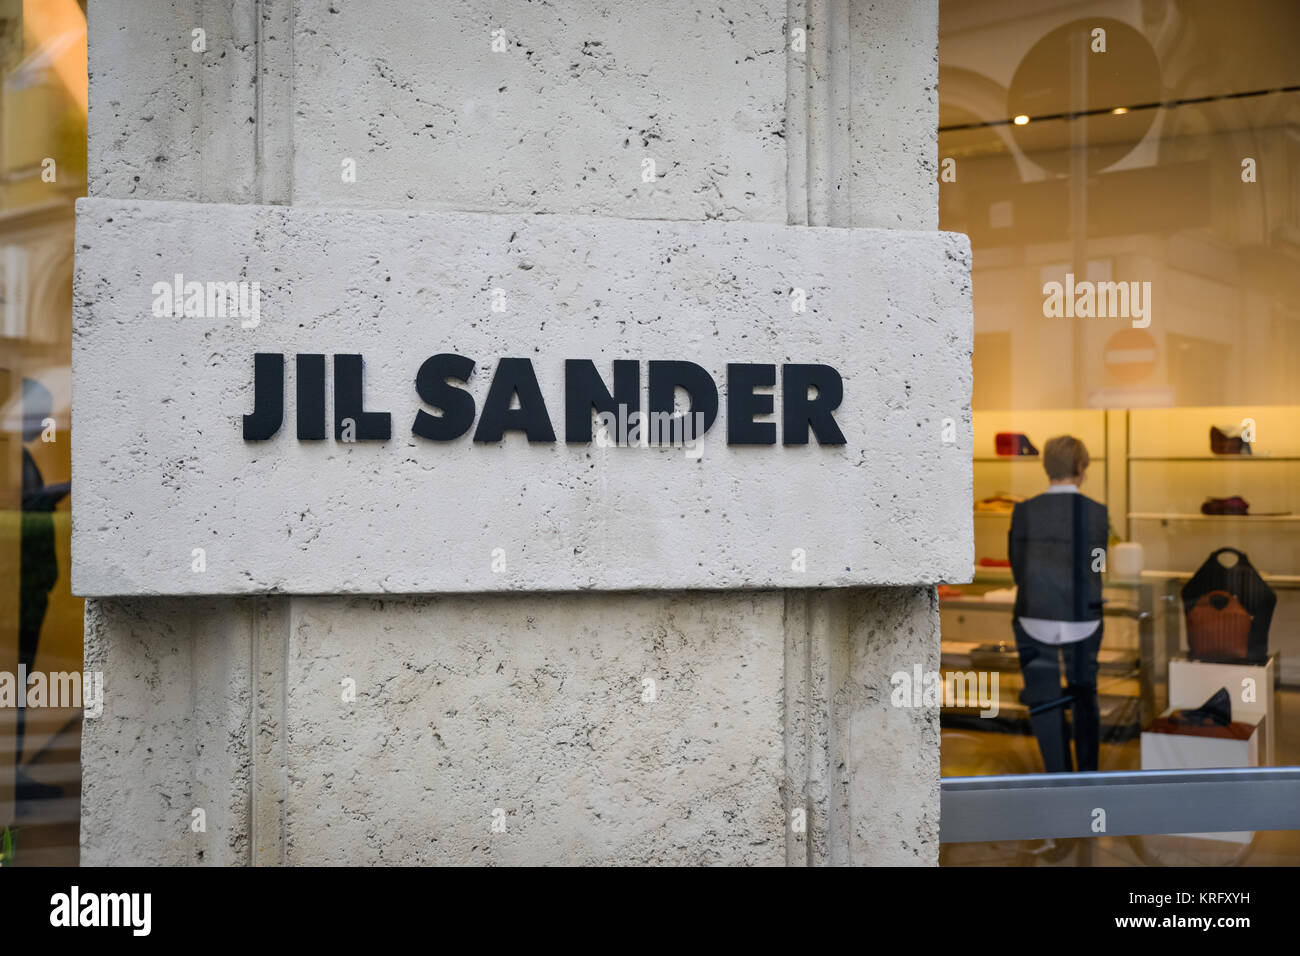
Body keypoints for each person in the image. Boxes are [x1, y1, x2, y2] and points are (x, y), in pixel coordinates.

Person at [1008, 435, 1108, 773]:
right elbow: (1098, 567)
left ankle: (1058, 777)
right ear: (1081, 468)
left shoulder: (1024, 511)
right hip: (1084, 618)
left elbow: (1018, 568)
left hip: (1035, 616)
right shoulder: (1096, 513)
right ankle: (1088, 776)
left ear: (1046, 466)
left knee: (1044, 700)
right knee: (1084, 696)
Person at [16, 378, 69, 800]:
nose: (48, 420)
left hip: (30, 594)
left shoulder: (21, 456)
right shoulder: (10, 459)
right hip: (17, 597)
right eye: (42, 411)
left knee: (19, 682)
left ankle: (13, 774)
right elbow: (17, 513)